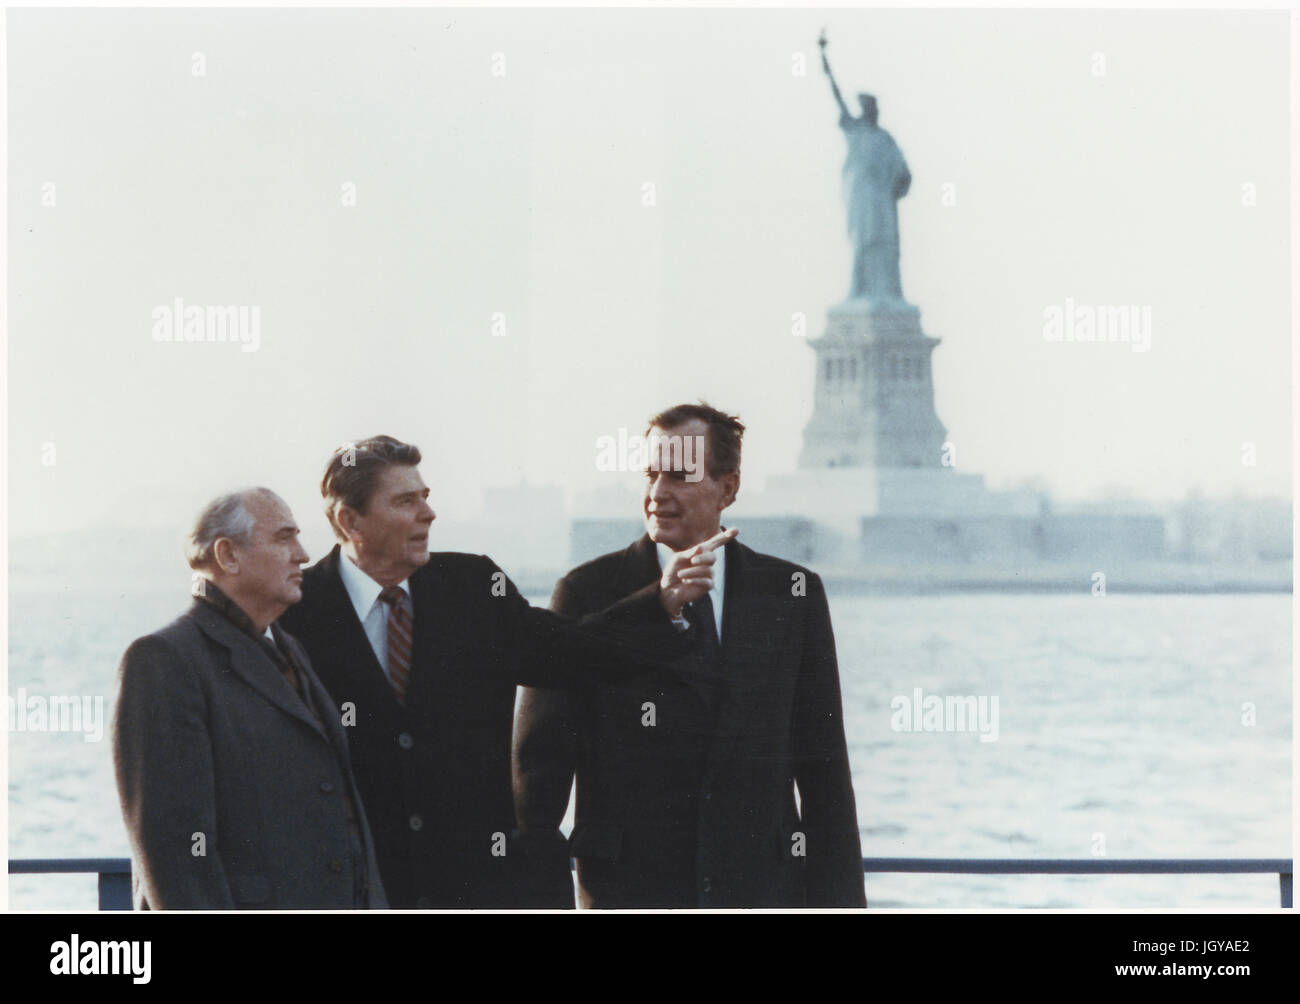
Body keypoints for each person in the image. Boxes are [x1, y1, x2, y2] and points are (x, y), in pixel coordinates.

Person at [278, 435, 724, 909]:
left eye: (425, 499)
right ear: (350, 521)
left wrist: (662, 602)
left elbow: (572, 651)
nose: (428, 514)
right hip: (352, 890)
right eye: (406, 502)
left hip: (474, 889)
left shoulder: (472, 586)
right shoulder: (294, 611)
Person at [513, 403, 867, 908]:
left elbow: (825, 772)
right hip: (629, 896)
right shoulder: (586, 593)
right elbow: (536, 786)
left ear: (728, 488)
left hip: (759, 894)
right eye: (652, 473)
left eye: (679, 475)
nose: (658, 493)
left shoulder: (792, 594)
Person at [112, 488, 387, 909]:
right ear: (228, 556)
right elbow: (175, 855)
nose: (303, 555)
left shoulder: (288, 650)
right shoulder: (166, 660)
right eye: (284, 538)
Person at [820, 32, 912, 305]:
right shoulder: (855, 130)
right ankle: (859, 290)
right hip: (862, 197)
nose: (870, 110)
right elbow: (837, 97)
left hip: (882, 200)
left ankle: (889, 294)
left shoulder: (885, 139)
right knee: (862, 243)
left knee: (886, 246)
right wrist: (825, 65)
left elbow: (904, 174)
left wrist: (898, 182)